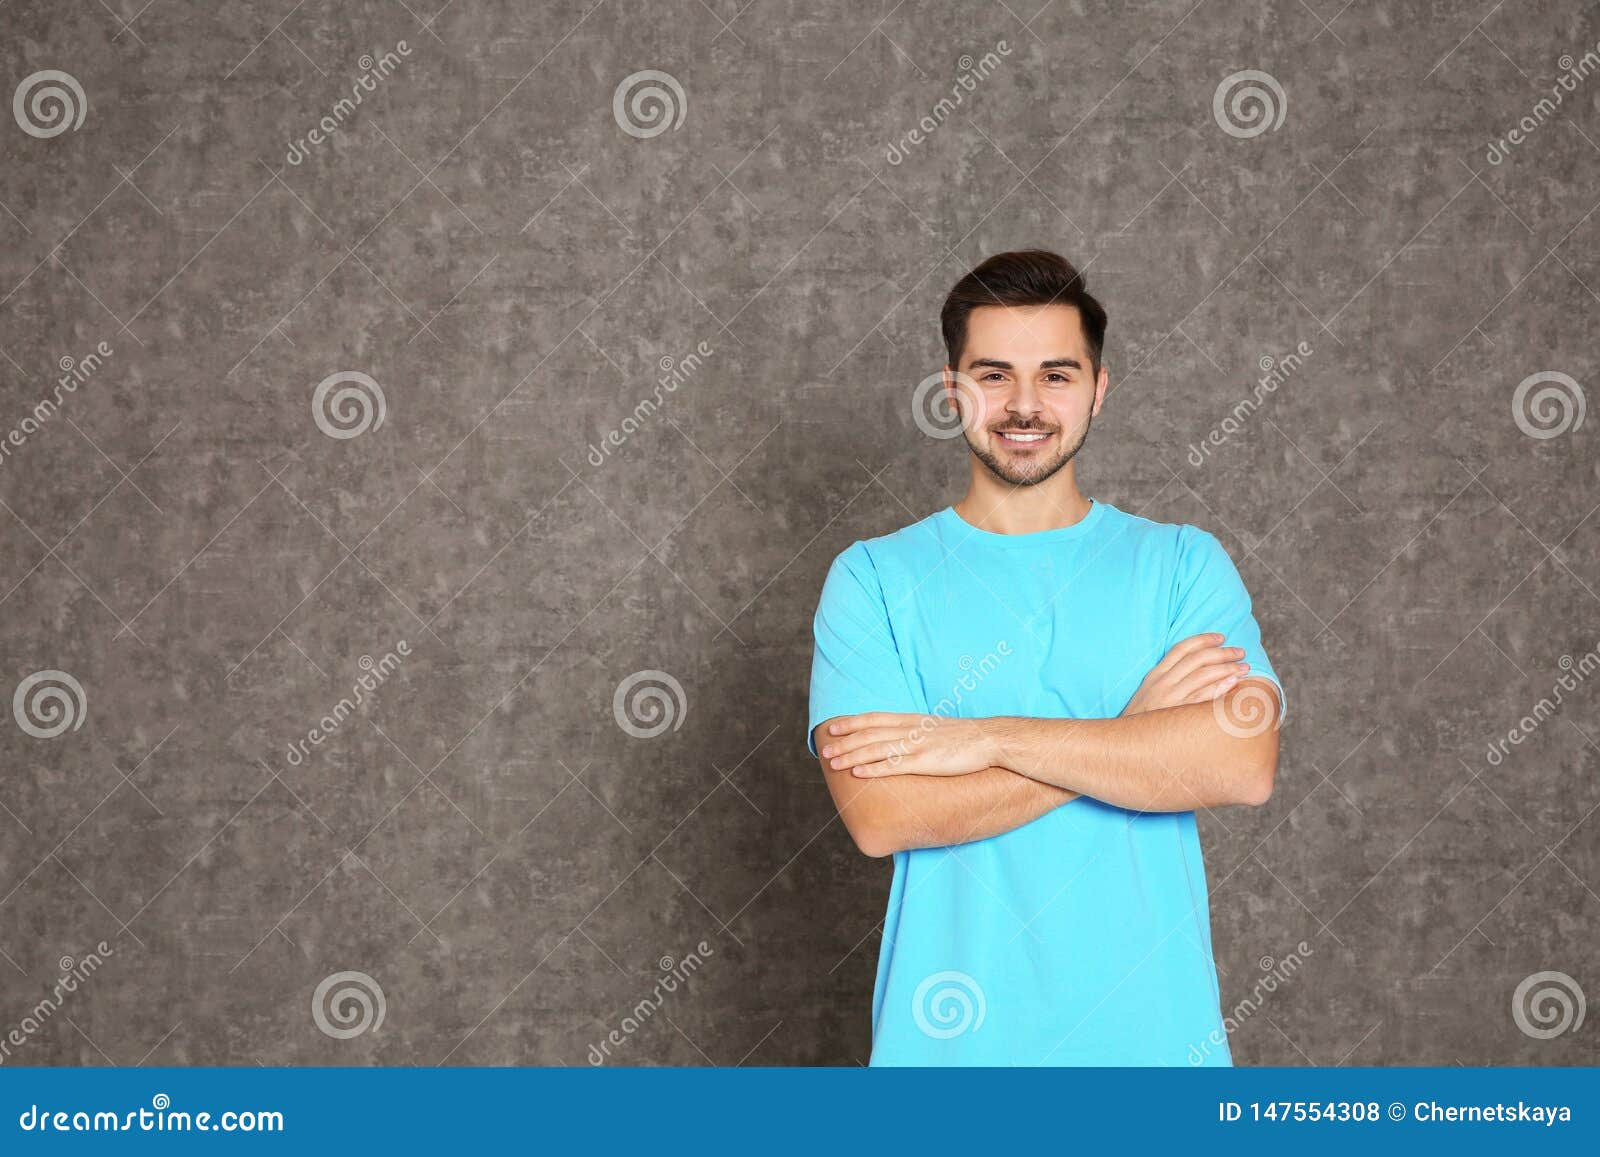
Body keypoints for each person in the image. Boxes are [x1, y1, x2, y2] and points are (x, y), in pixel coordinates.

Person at [807, 249, 1286, 1065]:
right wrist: (1131, 731)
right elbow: (883, 818)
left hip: (1154, 1048)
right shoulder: (873, 578)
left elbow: (1241, 764)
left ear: (1099, 389)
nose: (1024, 405)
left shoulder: (1180, 564)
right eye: (994, 374)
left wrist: (984, 738)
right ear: (952, 388)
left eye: (1056, 376)